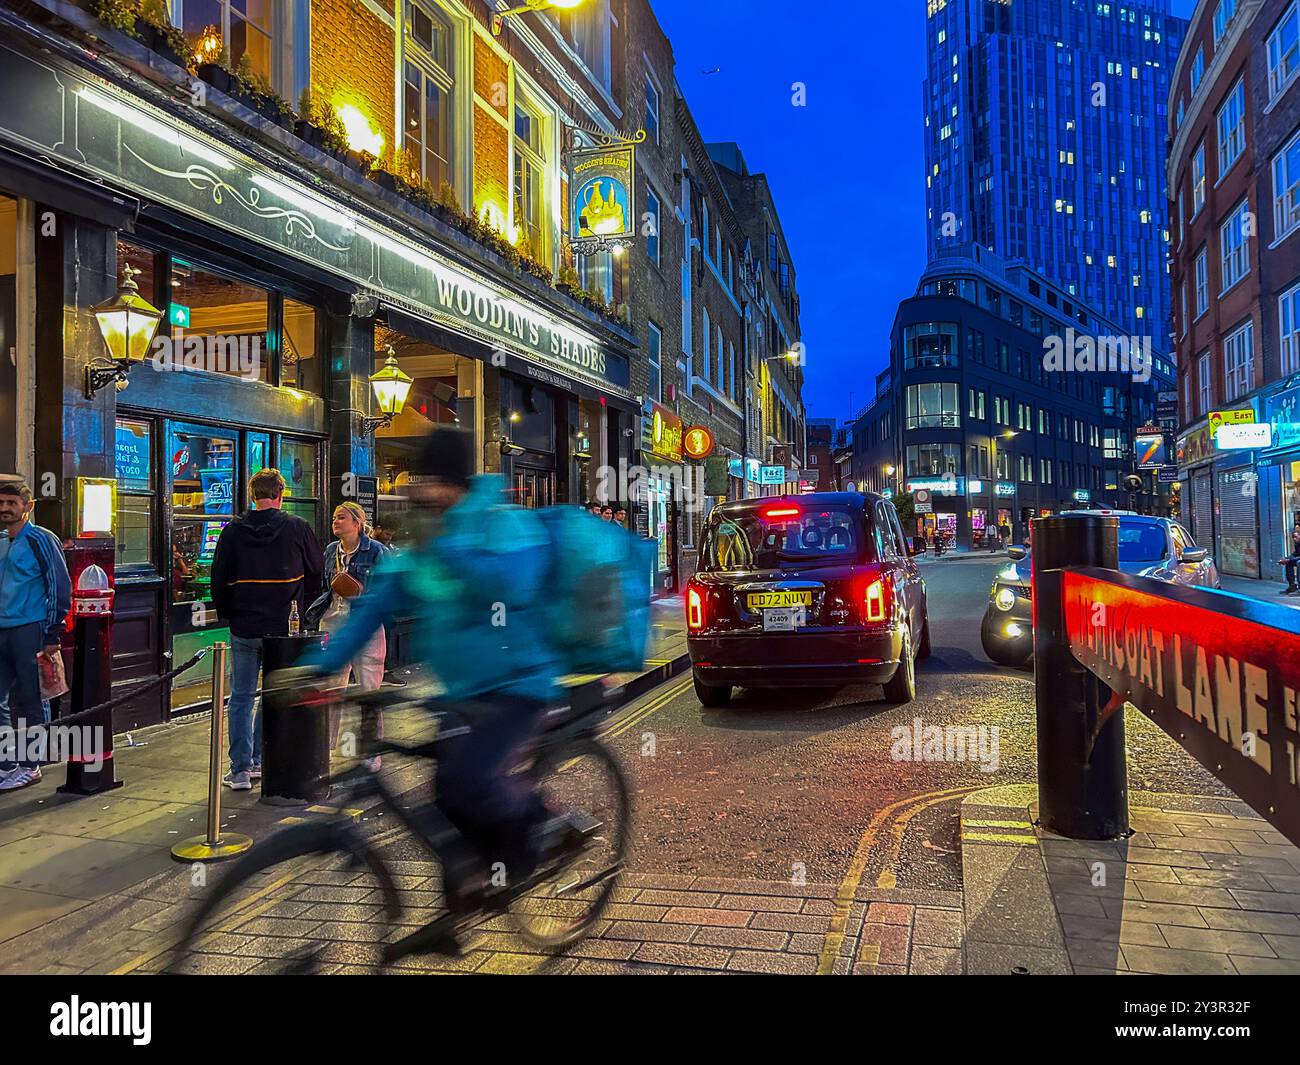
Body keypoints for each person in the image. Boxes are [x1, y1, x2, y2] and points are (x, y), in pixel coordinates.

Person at [301, 427, 568, 910]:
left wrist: (449, 547)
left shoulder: (502, 524)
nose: (421, 489)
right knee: (444, 796)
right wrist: (320, 665)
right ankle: (465, 898)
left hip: (518, 685)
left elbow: (512, 587)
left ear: (455, 482)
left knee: (470, 782)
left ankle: (539, 829)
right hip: (459, 689)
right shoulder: (428, 539)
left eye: (431, 479)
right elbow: (377, 602)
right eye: (420, 479)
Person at [210, 468, 324, 790]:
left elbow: (218, 578)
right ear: (281, 494)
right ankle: (260, 758)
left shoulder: (232, 530)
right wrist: (303, 612)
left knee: (241, 698)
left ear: (252, 495)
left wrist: (228, 612)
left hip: (244, 626)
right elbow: (317, 572)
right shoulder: (297, 528)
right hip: (283, 627)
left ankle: (241, 770)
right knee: (273, 693)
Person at [306, 501, 389, 768]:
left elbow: (386, 592)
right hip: (332, 625)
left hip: (366, 627)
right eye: (334, 518)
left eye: (341, 517)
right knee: (330, 690)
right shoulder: (331, 551)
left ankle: (370, 752)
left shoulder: (376, 552)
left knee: (368, 690)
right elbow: (324, 587)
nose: (335, 522)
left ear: (357, 522)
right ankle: (324, 750)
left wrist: (361, 593)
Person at [0, 482, 71, 790]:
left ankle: (32, 765)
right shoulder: (1, 540)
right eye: (1, 502)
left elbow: (59, 585)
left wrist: (52, 631)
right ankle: (5, 763)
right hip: (2, 628)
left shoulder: (41, 539)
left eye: (11, 502)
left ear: (27, 506)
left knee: (33, 698)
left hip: (30, 627)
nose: (5, 508)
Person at [1282, 519, 1300, 596]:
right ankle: (1292, 585)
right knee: (1288, 562)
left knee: (1299, 563)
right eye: (1293, 537)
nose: (1294, 539)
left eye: (1296, 537)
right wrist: (1287, 558)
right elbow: (1296, 553)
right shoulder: (1297, 544)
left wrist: (1290, 559)